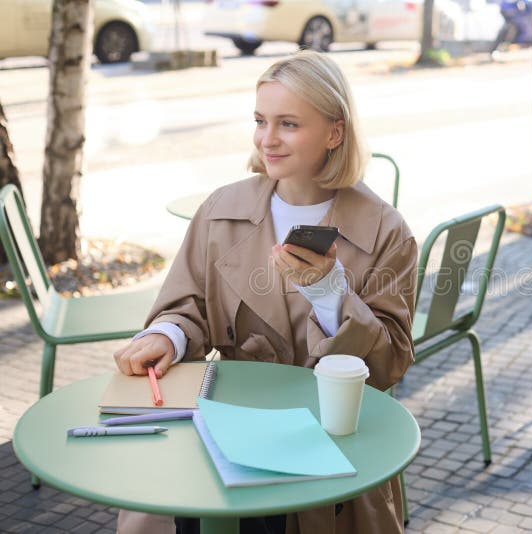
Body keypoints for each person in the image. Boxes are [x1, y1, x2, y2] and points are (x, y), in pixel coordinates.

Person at [113, 50, 418, 534]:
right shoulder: (220, 210)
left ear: (334, 132)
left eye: (289, 124)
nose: (267, 139)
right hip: (224, 431)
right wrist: (167, 335)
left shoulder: (386, 231)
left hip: (329, 449)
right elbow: (187, 303)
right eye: (260, 120)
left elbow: (388, 363)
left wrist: (329, 291)